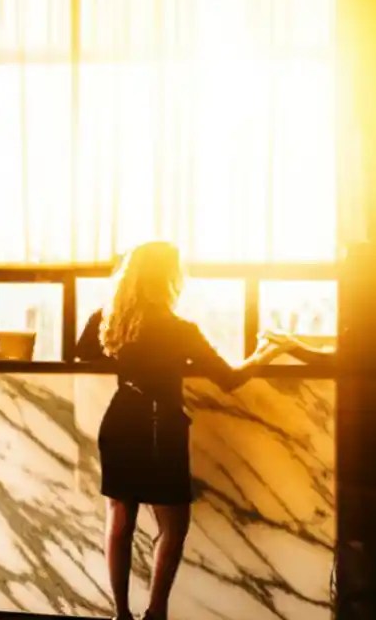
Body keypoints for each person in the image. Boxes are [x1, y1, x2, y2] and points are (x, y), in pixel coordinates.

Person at [75, 241, 284, 620]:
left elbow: (83, 353)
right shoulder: (179, 329)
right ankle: (156, 613)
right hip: (161, 425)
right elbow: (230, 379)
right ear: (169, 279)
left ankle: (121, 614)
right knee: (173, 525)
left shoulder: (109, 320)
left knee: (120, 518)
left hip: (121, 417)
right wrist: (267, 352)